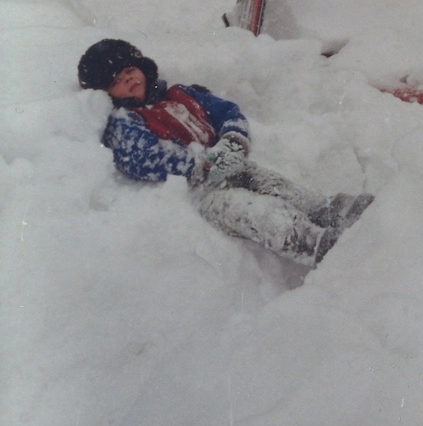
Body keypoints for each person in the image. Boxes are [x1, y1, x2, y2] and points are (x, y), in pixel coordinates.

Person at [77, 39, 373, 268]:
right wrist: (198, 165)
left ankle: (328, 209)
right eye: (117, 81)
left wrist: (232, 141)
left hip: (229, 163)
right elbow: (143, 158)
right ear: (107, 93)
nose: (128, 80)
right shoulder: (126, 123)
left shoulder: (180, 93)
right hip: (201, 192)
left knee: (273, 183)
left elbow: (226, 112)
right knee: (253, 211)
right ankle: (314, 243)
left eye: (130, 70)